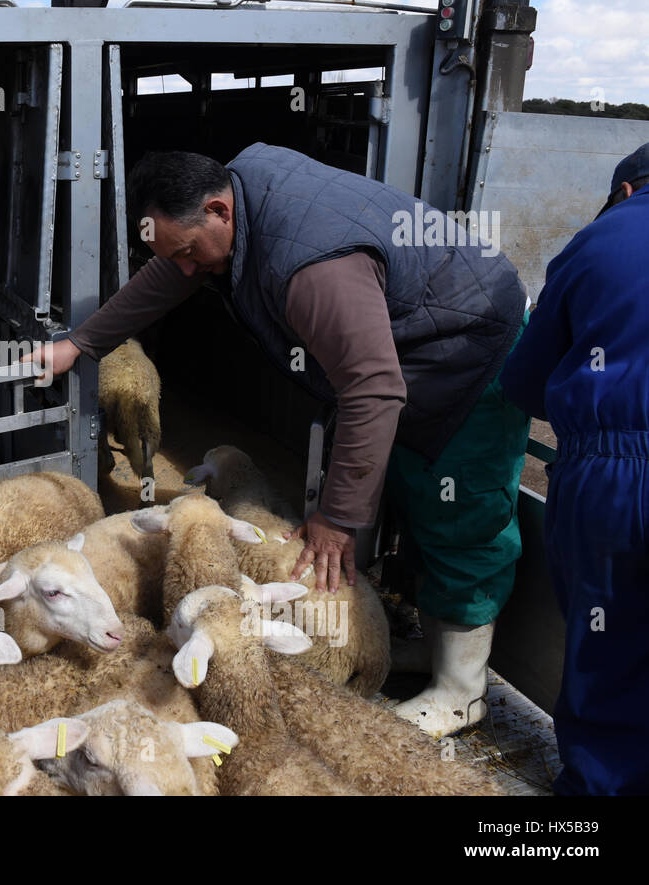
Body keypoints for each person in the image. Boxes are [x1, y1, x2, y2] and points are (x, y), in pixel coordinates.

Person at [28, 145, 531, 738]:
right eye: (173, 253)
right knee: (412, 491)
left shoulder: (311, 266)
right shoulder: (232, 203)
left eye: (189, 251)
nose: (186, 269)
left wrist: (338, 518)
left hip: (468, 355)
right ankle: (431, 651)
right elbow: (169, 272)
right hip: (408, 353)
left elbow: (372, 389)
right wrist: (81, 342)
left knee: (459, 511)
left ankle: (461, 692)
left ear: (218, 210)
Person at [497, 142, 649, 795]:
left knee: (609, 657)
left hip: (617, 477)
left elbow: (526, 384)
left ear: (624, 190)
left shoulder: (601, 239)